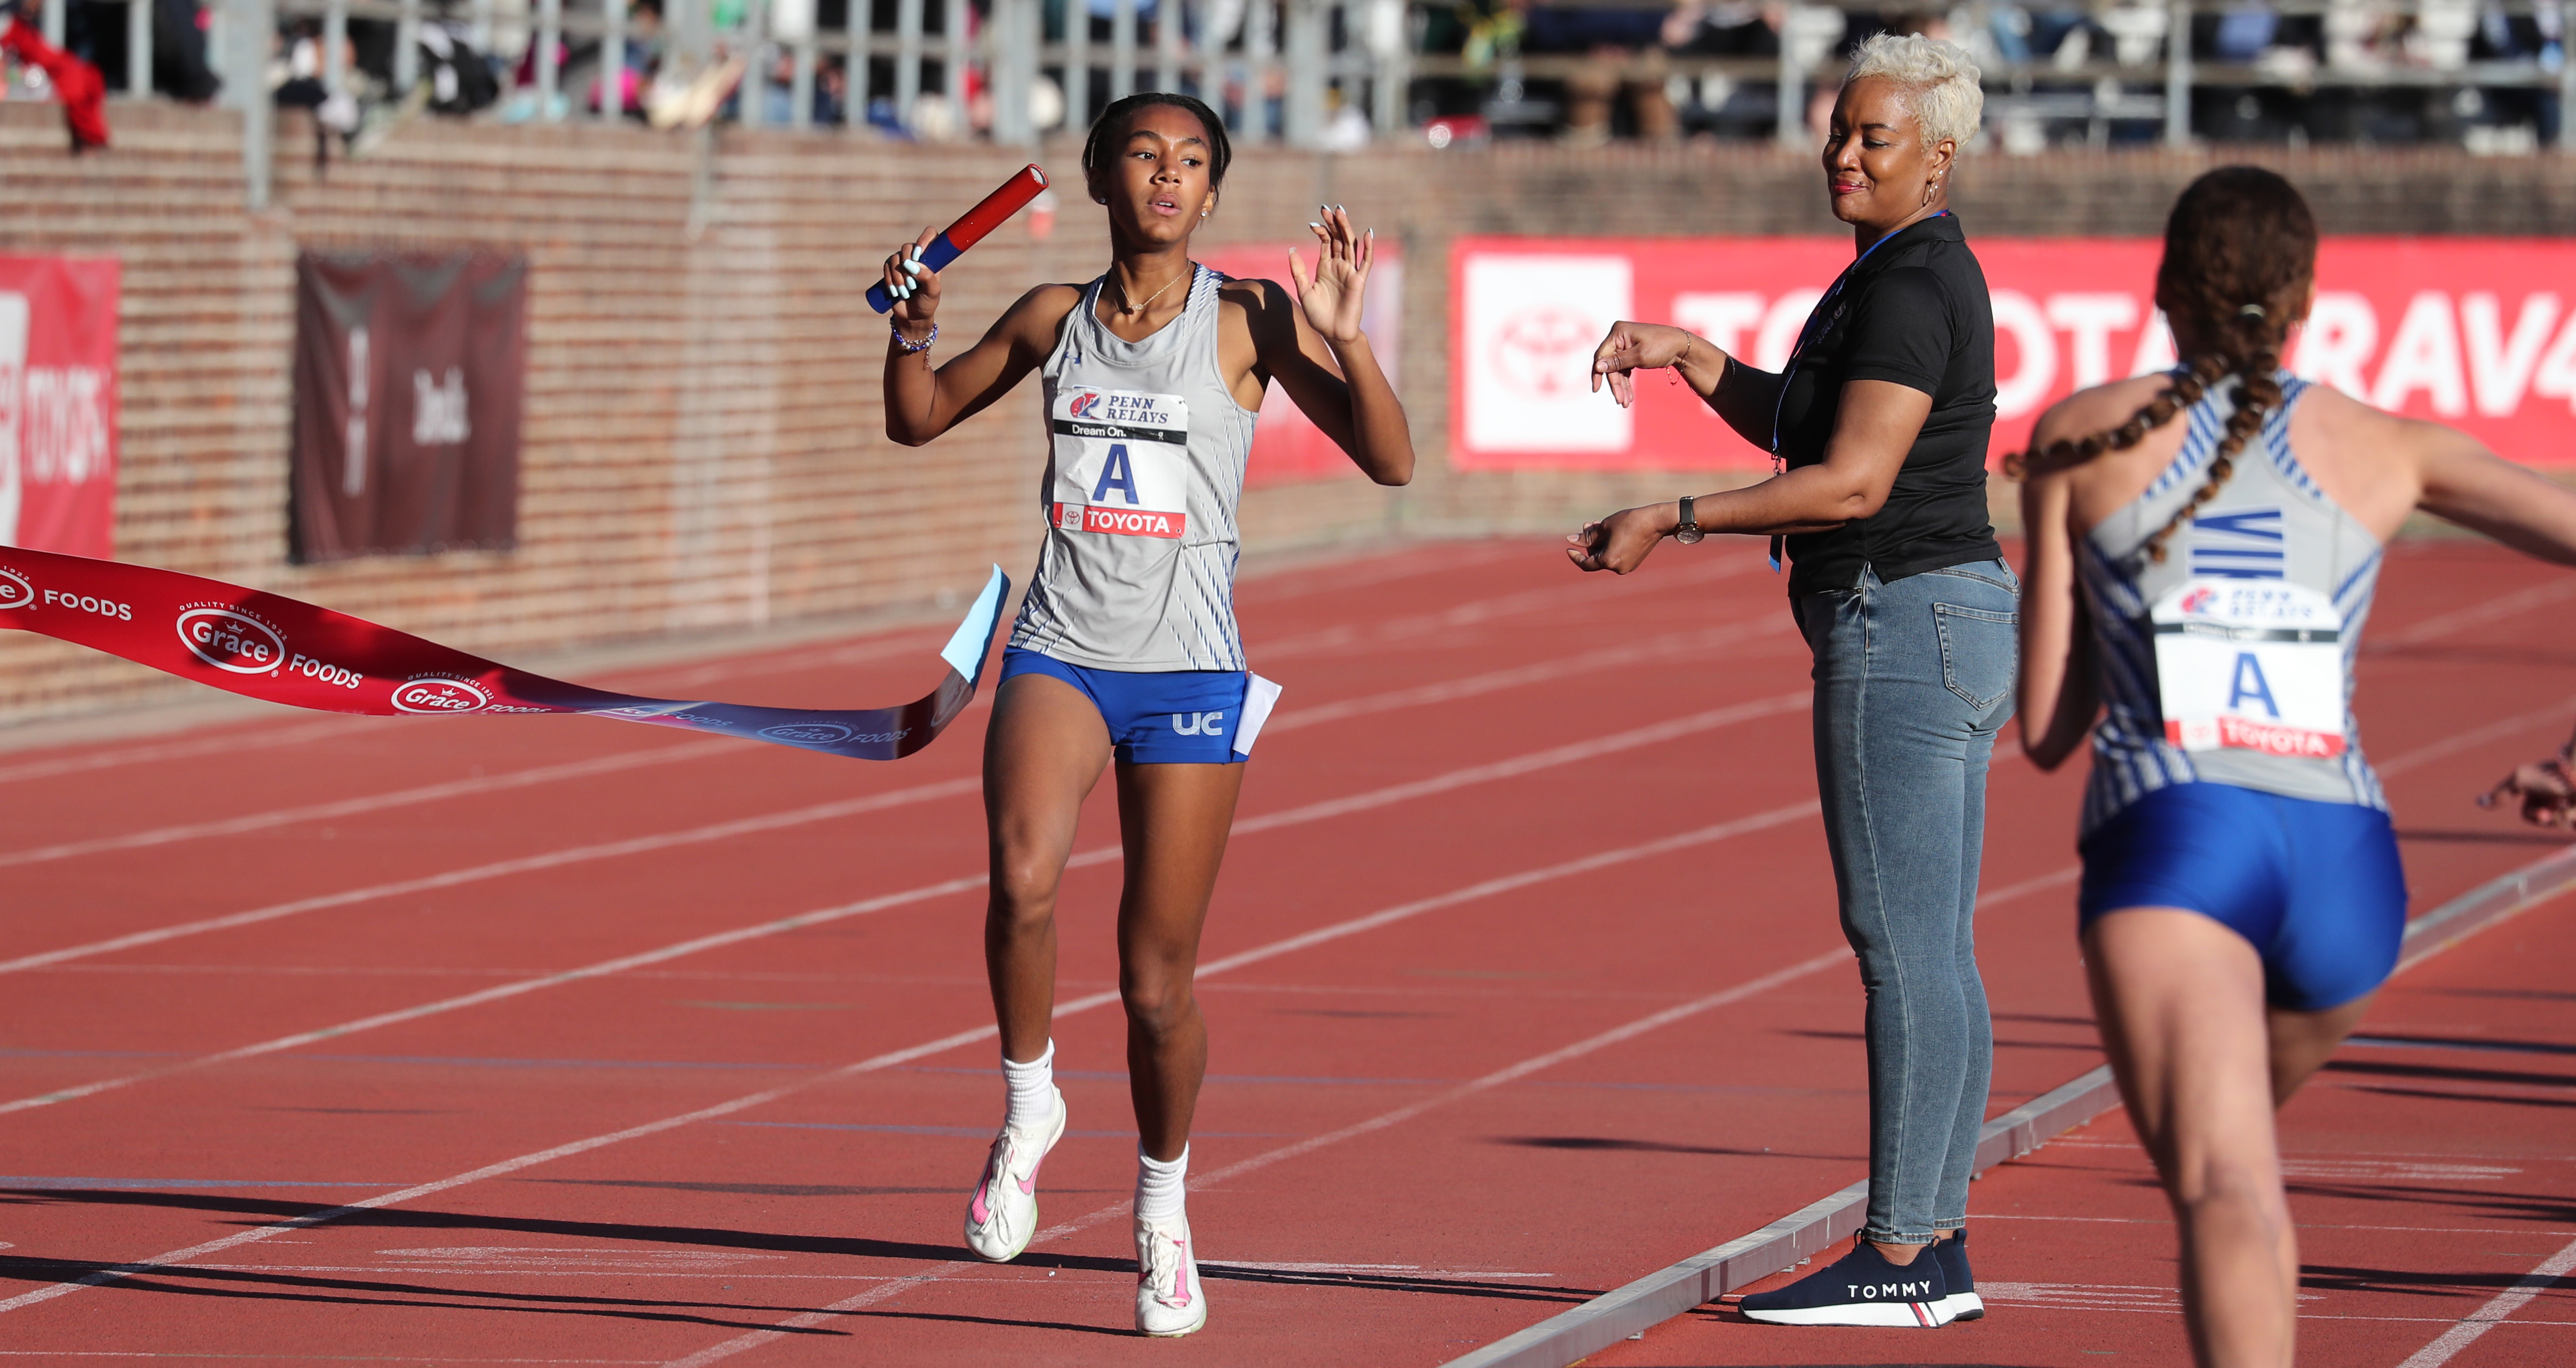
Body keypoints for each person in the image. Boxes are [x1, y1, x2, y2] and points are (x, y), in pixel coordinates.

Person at [2013, 165, 2576, 1367]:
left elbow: (2048, 730)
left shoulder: (2082, 433)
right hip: (2349, 870)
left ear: (2162, 287)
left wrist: (2154, 610)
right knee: (2237, 1174)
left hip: (2181, 837)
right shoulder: (2386, 447)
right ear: (2311, 298)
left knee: (2220, 1185)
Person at [875, 92, 1413, 1337]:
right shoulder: (1054, 319)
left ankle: (1162, 1210)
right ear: (1102, 177)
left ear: (1211, 194)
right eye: (1143, 157)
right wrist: (911, 332)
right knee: (1020, 878)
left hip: (1188, 676)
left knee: (1154, 984)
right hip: (1061, 652)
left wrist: (1346, 337)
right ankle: (1028, 1105)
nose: (1166, 178)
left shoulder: (1249, 319)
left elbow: (1390, 460)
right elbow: (918, 419)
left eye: (1189, 164)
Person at [1571, 32, 2007, 1328]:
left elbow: (1854, 481)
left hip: (1901, 618)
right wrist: (1693, 356)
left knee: (1899, 947)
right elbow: (1806, 426)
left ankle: (1901, 1255)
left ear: (1937, 157)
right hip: (1941, 619)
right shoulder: (1889, 273)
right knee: (1935, 948)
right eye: (1836, 130)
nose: (1843, 154)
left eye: (1873, 136)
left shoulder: (1912, 280)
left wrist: (1675, 515)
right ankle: (1932, 1243)